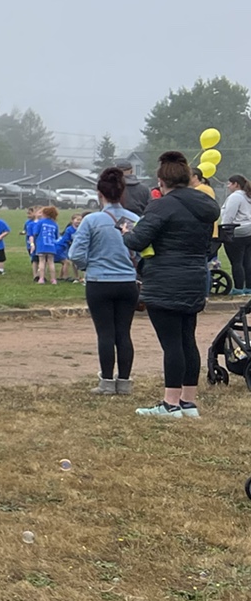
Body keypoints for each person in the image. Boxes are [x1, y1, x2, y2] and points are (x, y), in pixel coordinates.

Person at [122, 151, 220, 417]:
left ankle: (170, 403)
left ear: (161, 180)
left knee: (171, 344)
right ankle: (188, 401)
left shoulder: (161, 205)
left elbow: (137, 241)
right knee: (188, 339)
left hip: (165, 279)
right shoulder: (206, 204)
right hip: (195, 276)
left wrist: (126, 233)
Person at [69, 168, 140, 395]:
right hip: (128, 282)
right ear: (121, 193)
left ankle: (107, 381)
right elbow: (141, 253)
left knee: (105, 333)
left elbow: (76, 254)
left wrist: (89, 265)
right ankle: (125, 381)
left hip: (99, 281)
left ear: (99, 193)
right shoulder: (135, 220)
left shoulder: (91, 220)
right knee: (124, 333)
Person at [220, 173, 251, 294]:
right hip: (249, 231)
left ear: (236, 184)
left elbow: (229, 215)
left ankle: (238, 288)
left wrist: (224, 229)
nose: (228, 186)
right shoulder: (248, 196)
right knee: (247, 261)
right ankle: (248, 287)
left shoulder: (235, 197)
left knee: (236, 262)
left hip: (237, 232)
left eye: (229, 183)